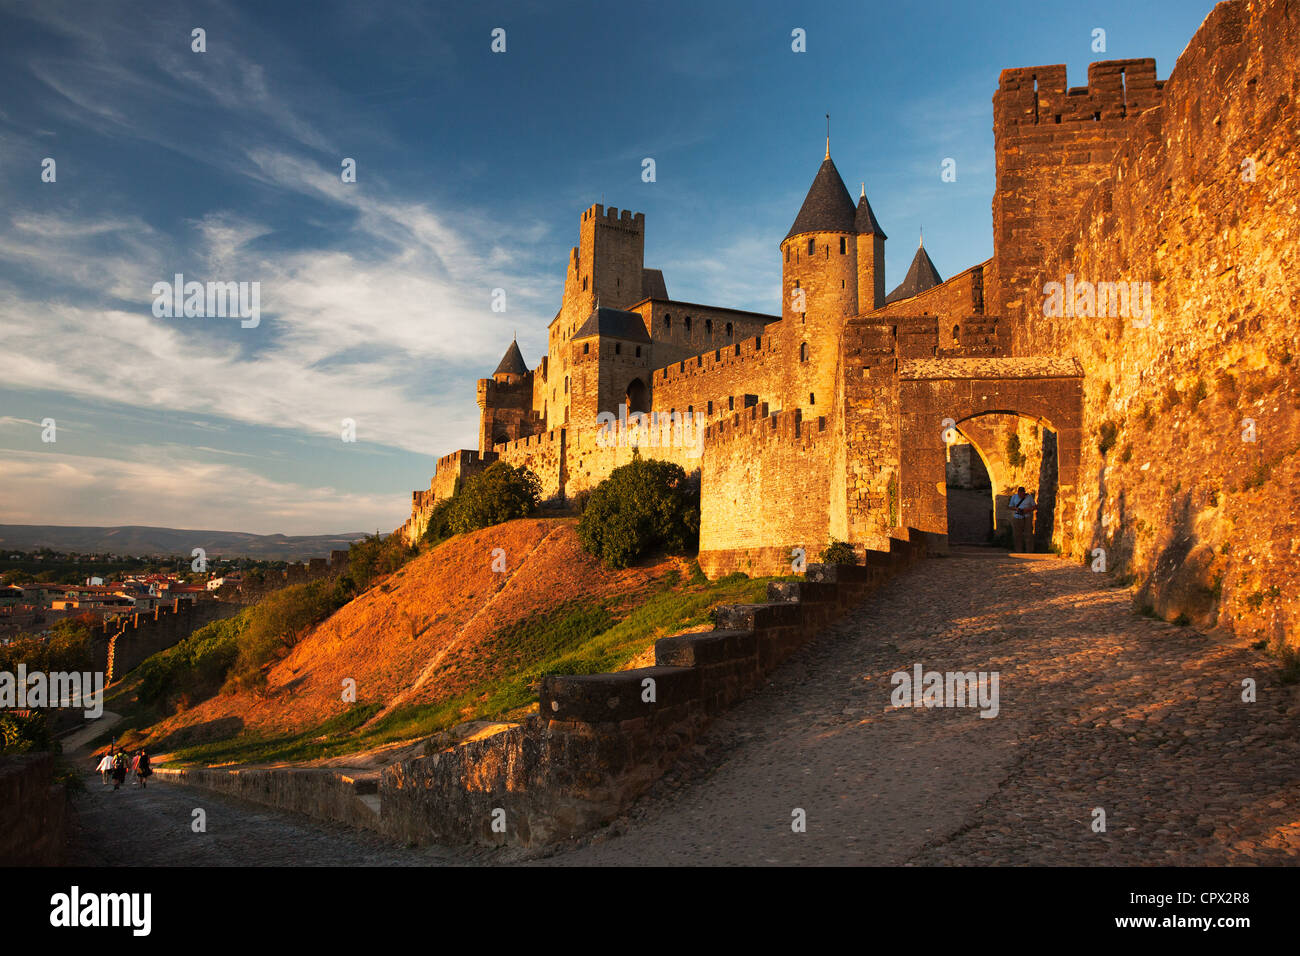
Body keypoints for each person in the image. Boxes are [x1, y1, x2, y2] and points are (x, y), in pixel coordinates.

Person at [1009, 486, 1036, 552]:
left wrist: (1028, 510)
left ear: (1024, 492)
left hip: (1027, 516)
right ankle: (1018, 550)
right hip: (1017, 517)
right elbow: (1010, 506)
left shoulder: (1029, 497)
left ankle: (1029, 551)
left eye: (1022, 493)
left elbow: (1034, 506)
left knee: (1028, 534)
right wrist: (1016, 509)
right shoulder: (1014, 497)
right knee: (1017, 534)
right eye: (1020, 493)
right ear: (1018, 492)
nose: (1021, 494)